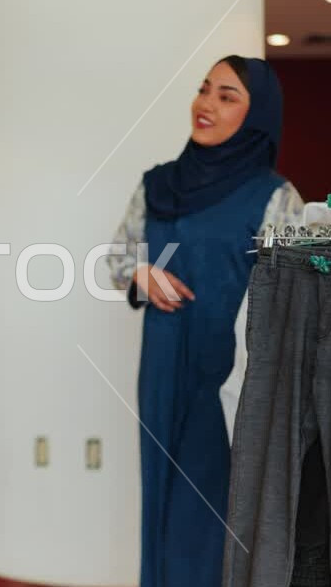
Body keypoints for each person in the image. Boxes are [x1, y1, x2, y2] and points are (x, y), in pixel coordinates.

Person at [106, 55, 304, 587]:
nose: (205, 103)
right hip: (163, 362)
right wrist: (141, 274)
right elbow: (118, 257)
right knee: (161, 486)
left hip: (233, 371)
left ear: (256, 116)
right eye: (203, 89)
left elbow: (295, 289)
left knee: (218, 498)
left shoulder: (275, 197)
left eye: (226, 95)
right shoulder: (157, 185)